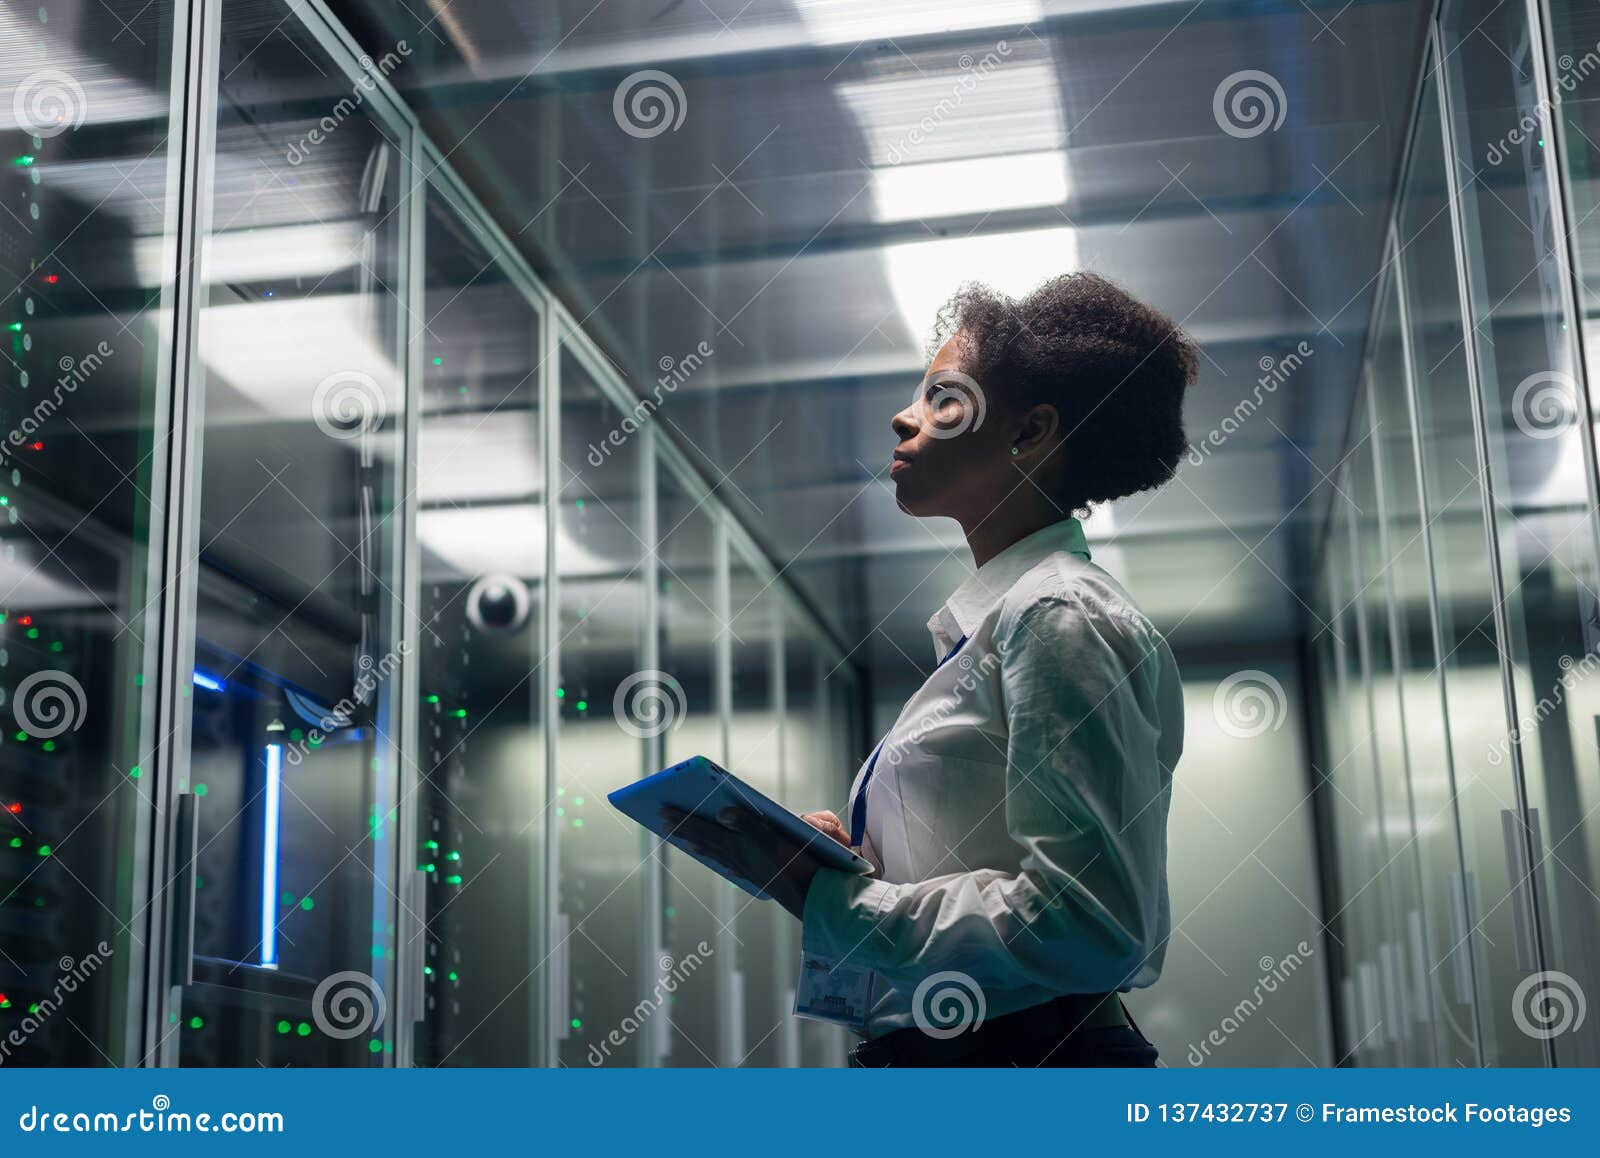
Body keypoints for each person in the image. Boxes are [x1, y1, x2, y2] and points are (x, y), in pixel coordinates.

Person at [666, 272, 1191, 1067]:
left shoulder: (1057, 615)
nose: (902, 416)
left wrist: (838, 901)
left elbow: (1092, 924)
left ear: (1029, 433)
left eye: (943, 397)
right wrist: (854, 868)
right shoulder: (1010, 620)